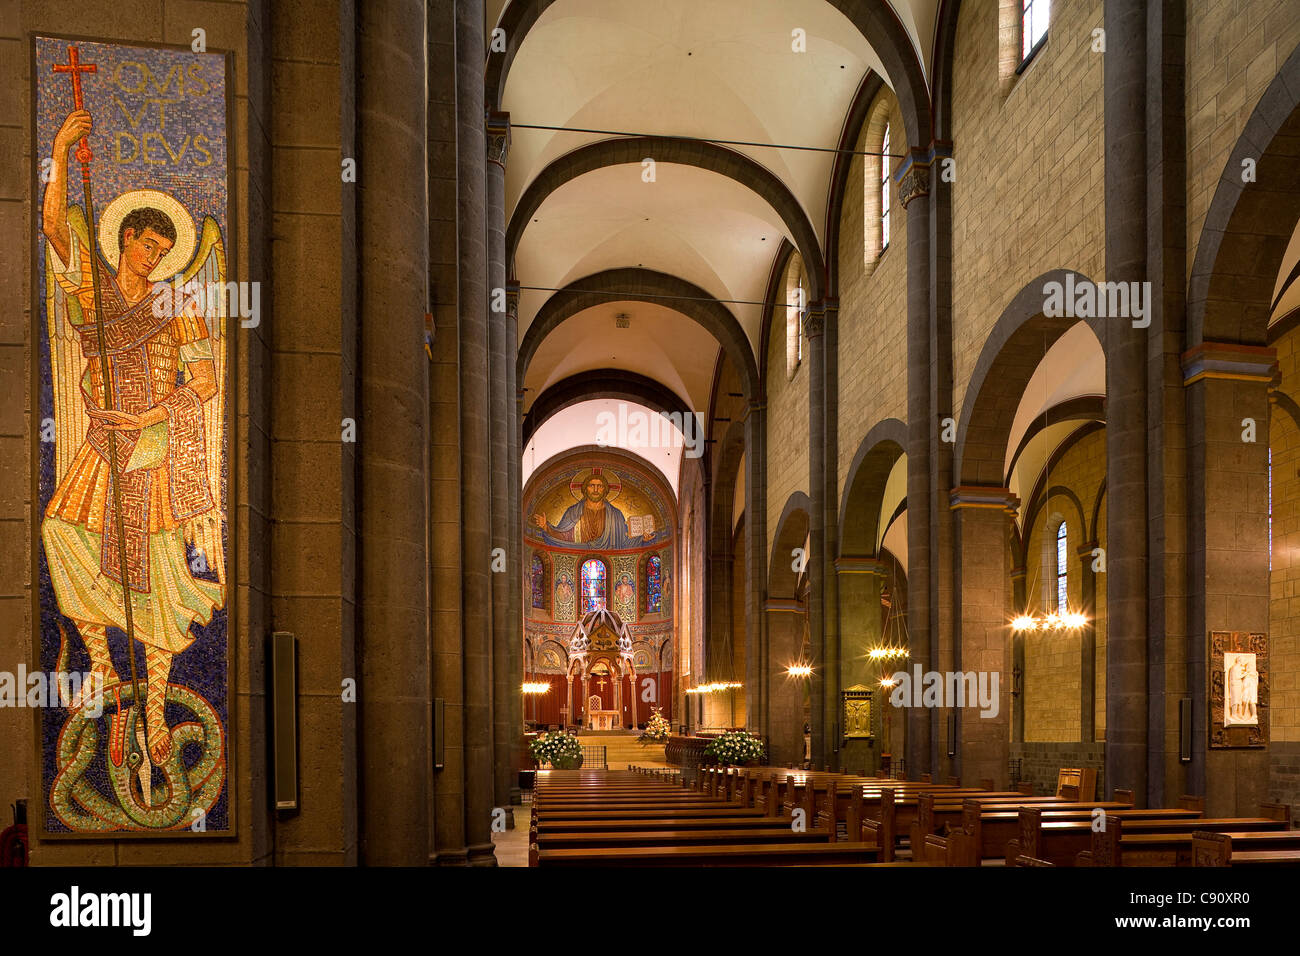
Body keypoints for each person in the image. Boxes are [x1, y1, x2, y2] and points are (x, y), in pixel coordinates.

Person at [41, 107, 224, 764]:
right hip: (101, 442)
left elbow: (203, 382)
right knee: (62, 533)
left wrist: (150, 417)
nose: (151, 256)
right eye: (143, 245)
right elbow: (55, 227)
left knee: (154, 583)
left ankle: (152, 712)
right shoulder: (93, 287)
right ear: (124, 243)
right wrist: (60, 153)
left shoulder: (178, 305)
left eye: (161, 250)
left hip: (149, 443)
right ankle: (99, 664)